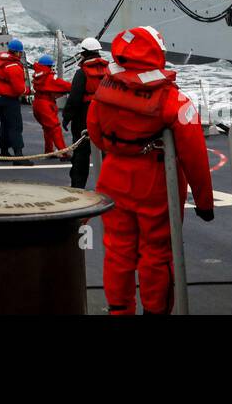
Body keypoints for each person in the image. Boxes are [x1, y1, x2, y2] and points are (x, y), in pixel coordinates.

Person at [87, 25, 214, 315]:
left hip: (112, 177)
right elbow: (194, 155)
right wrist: (204, 203)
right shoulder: (174, 101)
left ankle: (119, 310)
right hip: (154, 183)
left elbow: (94, 133)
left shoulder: (103, 92)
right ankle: (156, 311)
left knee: (117, 252)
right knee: (156, 254)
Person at [62, 37, 110, 188]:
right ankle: (108, 187)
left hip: (84, 117)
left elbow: (74, 98)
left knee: (80, 155)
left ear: (84, 53)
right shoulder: (108, 71)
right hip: (104, 115)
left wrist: (66, 117)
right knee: (105, 154)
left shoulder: (81, 73)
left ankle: (78, 187)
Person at [0, 38, 31, 165]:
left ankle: (4, 152)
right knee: (15, 126)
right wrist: (29, 91)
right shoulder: (14, 67)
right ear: (17, 53)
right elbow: (19, 89)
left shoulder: (1, 61)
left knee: (5, 126)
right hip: (9, 100)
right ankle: (18, 156)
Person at [30, 54, 73, 158]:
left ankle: (49, 151)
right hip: (46, 105)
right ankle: (64, 153)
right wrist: (75, 87)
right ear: (49, 66)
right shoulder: (49, 77)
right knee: (55, 128)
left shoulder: (37, 75)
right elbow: (63, 85)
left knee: (47, 128)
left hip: (37, 104)